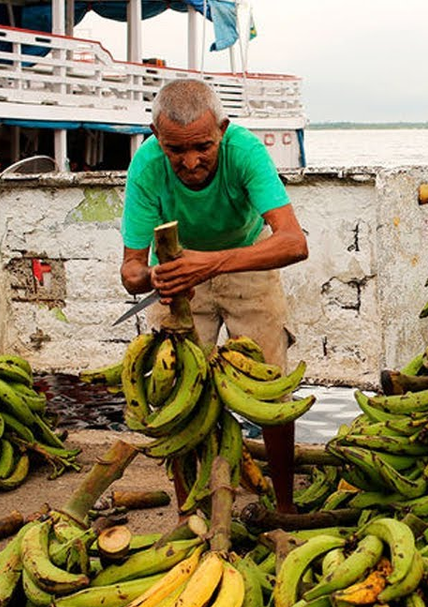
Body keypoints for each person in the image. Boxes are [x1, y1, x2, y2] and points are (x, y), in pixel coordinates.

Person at [119, 79, 309, 512]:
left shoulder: (244, 151)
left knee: (271, 389)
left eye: (202, 146)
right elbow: (130, 271)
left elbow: (294, 243)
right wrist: (152, 277)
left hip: (247, 264)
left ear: (222, 128)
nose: (190, 162)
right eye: (175, 150)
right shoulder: (147, 165)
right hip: (179, 274)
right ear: (156, 138)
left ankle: (285, 507)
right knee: (178, 393)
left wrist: (214, 262)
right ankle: (190, 511)